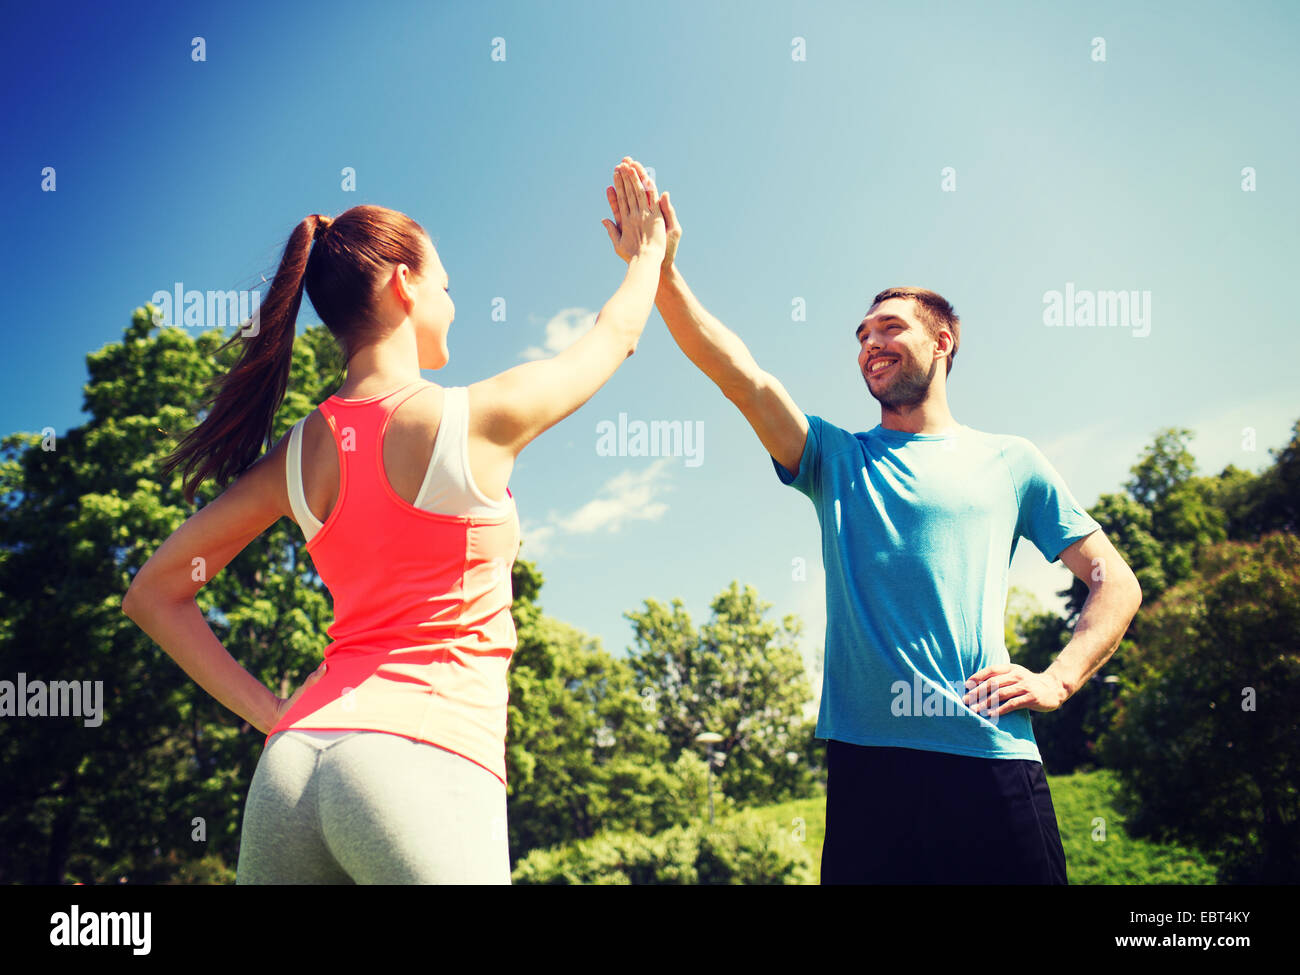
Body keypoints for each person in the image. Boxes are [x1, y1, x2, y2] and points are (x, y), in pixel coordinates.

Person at [120, 160, 668, 883]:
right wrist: (650, 254)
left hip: (289, 771)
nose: (451, 303)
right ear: (404, 283)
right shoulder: (471, 419)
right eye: (445, 286)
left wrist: (279, 714)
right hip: (420, 760)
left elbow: (153, 592)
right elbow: (612, 338)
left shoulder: (298, 455)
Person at [606, 158, 1143, 884]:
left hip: (990, 760)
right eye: (860, 334)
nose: (868, 343)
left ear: (943, 340)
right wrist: (662, 273)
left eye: (889, 326)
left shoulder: (1012, 461)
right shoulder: (835, 457)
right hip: (870, 775)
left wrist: (1059, 678)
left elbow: (1116, 581)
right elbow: (742, 375)